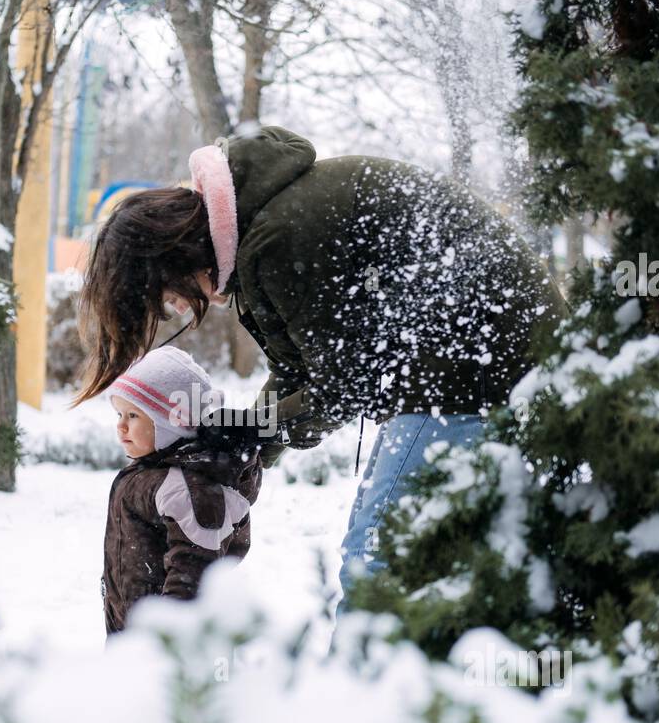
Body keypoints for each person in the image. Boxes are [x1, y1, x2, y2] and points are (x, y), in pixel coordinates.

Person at [77, 124, 564, 607]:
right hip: (464, 361)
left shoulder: (277, 238)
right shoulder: (257, 231)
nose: (179, 310)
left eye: (166, 297)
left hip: (474, 364)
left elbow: (342, 388)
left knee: (377, 556)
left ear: (174, 257)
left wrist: (245, 441)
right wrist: (239, 454)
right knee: (416, 552)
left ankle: (359, 682)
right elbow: (300, 371)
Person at [101, 346, 262, 635]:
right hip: (132, 627)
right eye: (119, 414)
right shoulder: (152, 472)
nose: (121, 426)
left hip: (164, 642)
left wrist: (169, 636)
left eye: (134, 416)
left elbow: (196, 569)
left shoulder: (186, 488)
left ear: (172, 424)